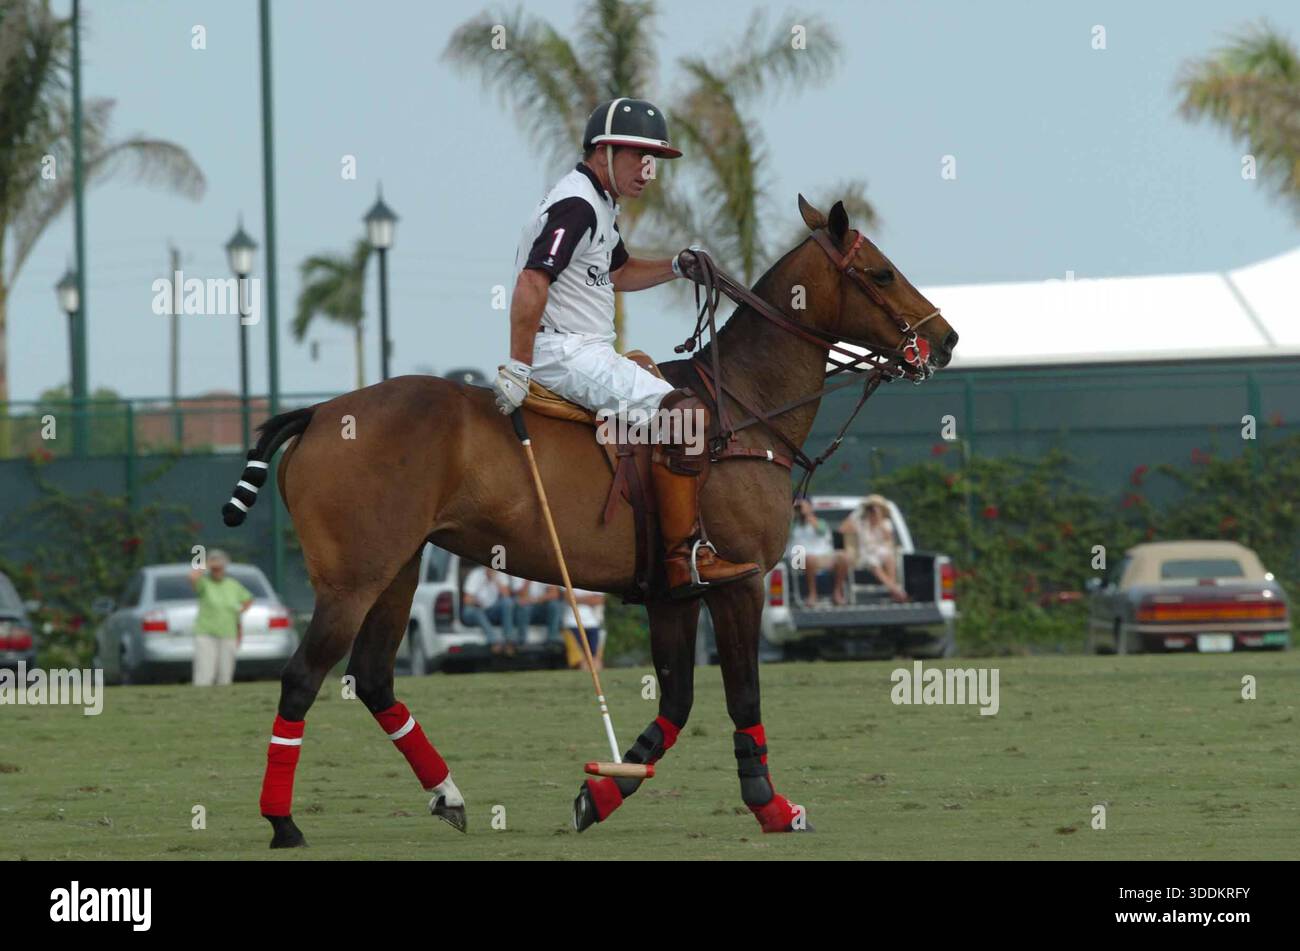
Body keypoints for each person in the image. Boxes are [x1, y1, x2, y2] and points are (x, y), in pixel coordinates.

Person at [492, 98, 759, 599]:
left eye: (653, 159)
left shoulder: (598, 204)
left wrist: (676, 265)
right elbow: (532, 280)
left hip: (585, 349)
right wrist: (517, 365)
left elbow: (617, 273)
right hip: (566, 352)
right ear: (605, 150)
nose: (649, 171)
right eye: (639, 156)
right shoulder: (575, 205)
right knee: (688, 418)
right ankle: (685, 559)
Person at [188, 549, 253, 686]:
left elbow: (248, 599)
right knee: (204, 673)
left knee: (225, 674)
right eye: (215, 568)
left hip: (228, 632)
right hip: (206, 633)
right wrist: (206, 564)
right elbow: (192, 577)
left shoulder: (233, 584)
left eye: (220, 567)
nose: (217, 570)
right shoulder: (204, 583)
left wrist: (239, 612)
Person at [839, 495, 908, 602]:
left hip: (881, 552)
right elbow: (842, 529)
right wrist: (857, 514)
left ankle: (892, 589)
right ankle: (895, 590)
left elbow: (889, 540)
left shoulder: (885, 523)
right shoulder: (861, 524)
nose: (873, 513)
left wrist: (879, 522)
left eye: (876, 510)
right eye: (871, 510)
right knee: (873, 562)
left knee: (889, 557)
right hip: (865, 555)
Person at [790, 498, 850, 605]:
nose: (800, 509)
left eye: (802, 507)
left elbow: (821, 530)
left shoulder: (819, 522)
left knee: (843, 557)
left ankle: (837, 592)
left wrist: (808, 516)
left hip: (822, 556)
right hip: (798, 559)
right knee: (810, 558)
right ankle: (812, 594)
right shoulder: (792, 525)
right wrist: (794, 515)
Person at [460, 565, 521, 653]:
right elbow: (467, 600)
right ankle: (494, 641)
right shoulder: (476, 574)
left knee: (507, 602)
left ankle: (509, 640)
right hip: (474, 611)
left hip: (491, 611)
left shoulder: (500, 574)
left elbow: (506, 595)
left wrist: (495, 580)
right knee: (476, 611)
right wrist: (478, 602)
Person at [508, 576, 564, 645]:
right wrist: (528, 579)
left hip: (540, 606)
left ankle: (552, 640)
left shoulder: (544, 571)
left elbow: (554, 594)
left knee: (555, 605)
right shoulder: (517, 574)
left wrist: (534, 600)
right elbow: (521, 598)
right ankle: (521, 640)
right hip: (525, 608)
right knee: (524, 607)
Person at [560, 589, 606, 672]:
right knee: (580, 660)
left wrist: (577, 599)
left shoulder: (595, 579)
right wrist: (588, 599)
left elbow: (599, 600)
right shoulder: (566, 577)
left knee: (596, 659)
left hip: (593, 623)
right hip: (572, 623)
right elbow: (568, 598)